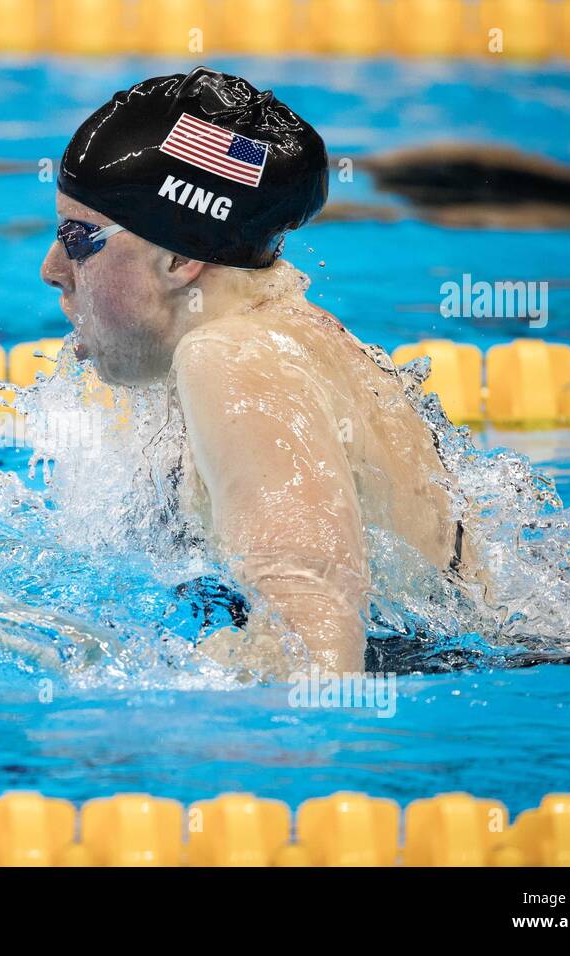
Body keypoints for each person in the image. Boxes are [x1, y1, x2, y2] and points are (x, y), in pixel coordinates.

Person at [39, 67, 466, 676]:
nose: (52, 268)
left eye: (77, 238)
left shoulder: (231, 361)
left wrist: (101, 692)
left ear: (180, 257)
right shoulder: (293, 336)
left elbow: (320, 667)